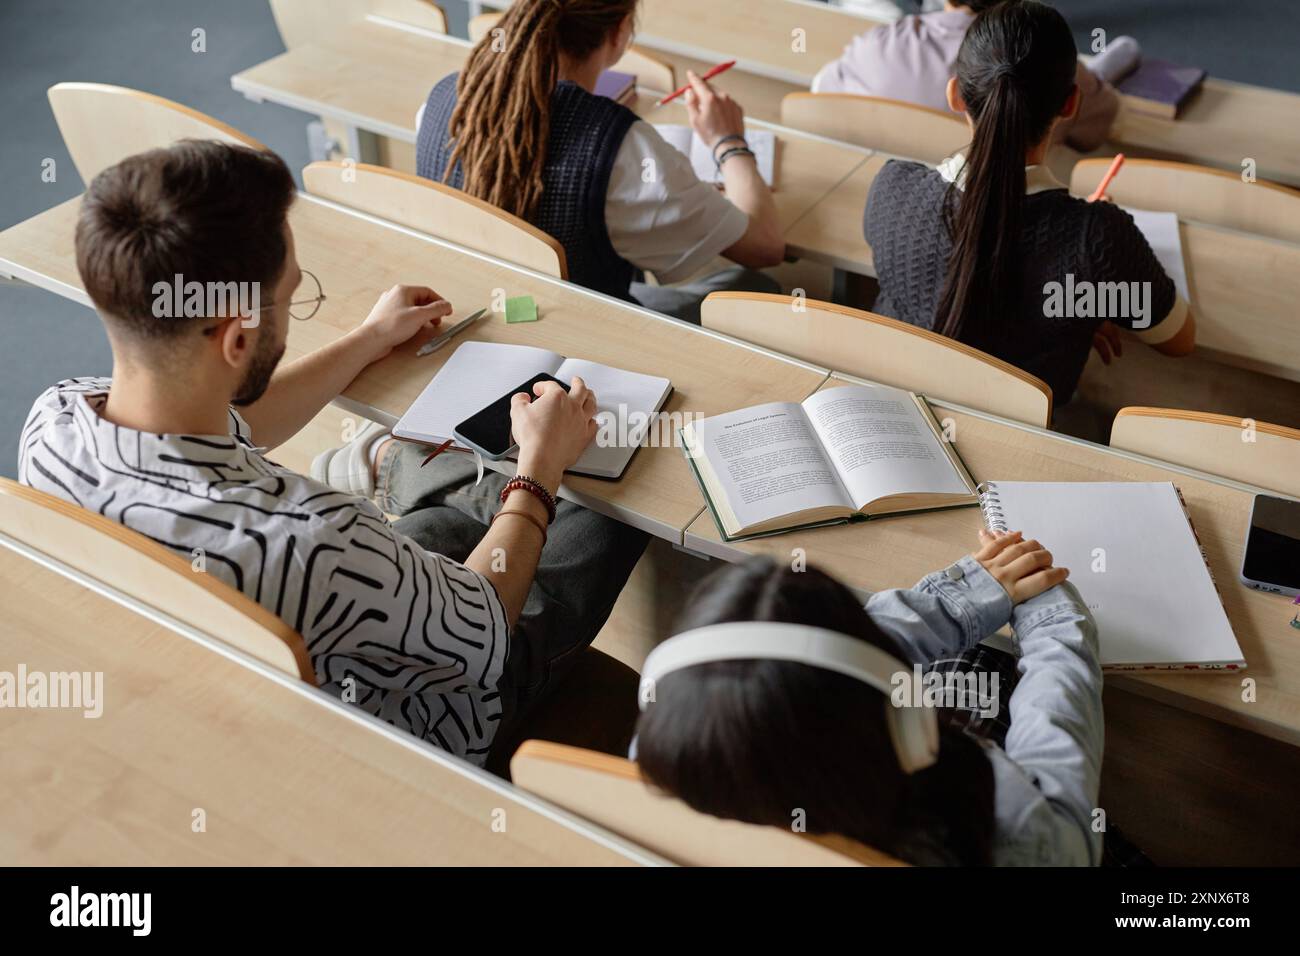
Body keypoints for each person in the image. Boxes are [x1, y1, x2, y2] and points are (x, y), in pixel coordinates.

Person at [18, 140, 647, 768]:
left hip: (219, 692)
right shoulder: (315, 534)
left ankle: (420, 481)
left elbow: (238, 420)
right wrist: (541, 466)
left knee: (440, 529)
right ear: (238, 337)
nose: (294, 306)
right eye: (293, 294)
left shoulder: (56, 422)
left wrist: (368, 339)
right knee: (605, 503)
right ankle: (438, 476)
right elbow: (485, 620)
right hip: (428, 726)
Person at [634, 530, 1104, 866]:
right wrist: (1053, 619)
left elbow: (815, 665)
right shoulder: (1006, 837)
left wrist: (969, 594)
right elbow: (1060, 773)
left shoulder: (666, 764)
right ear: (909, 734)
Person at [863, 0, 1195, 409]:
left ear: (955, 96)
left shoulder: (892, 189)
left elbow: (950, 289)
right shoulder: (1098, 240)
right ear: (1071, 104)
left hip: (894, 422)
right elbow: (1179, 339)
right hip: (1017, 451)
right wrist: (1081, 301)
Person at [414, 0, 785, 323]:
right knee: (752, 286)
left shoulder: (441, 100)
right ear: (620, 33)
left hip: (476, 312)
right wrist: (728, 141)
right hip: (587, 343)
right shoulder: (624, 151)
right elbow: (765, 247)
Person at [812, 0, 1118, 152]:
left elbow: (820, 95)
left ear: (955, 94)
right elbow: (1096, 128)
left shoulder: (878, 45)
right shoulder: (1049, 65)